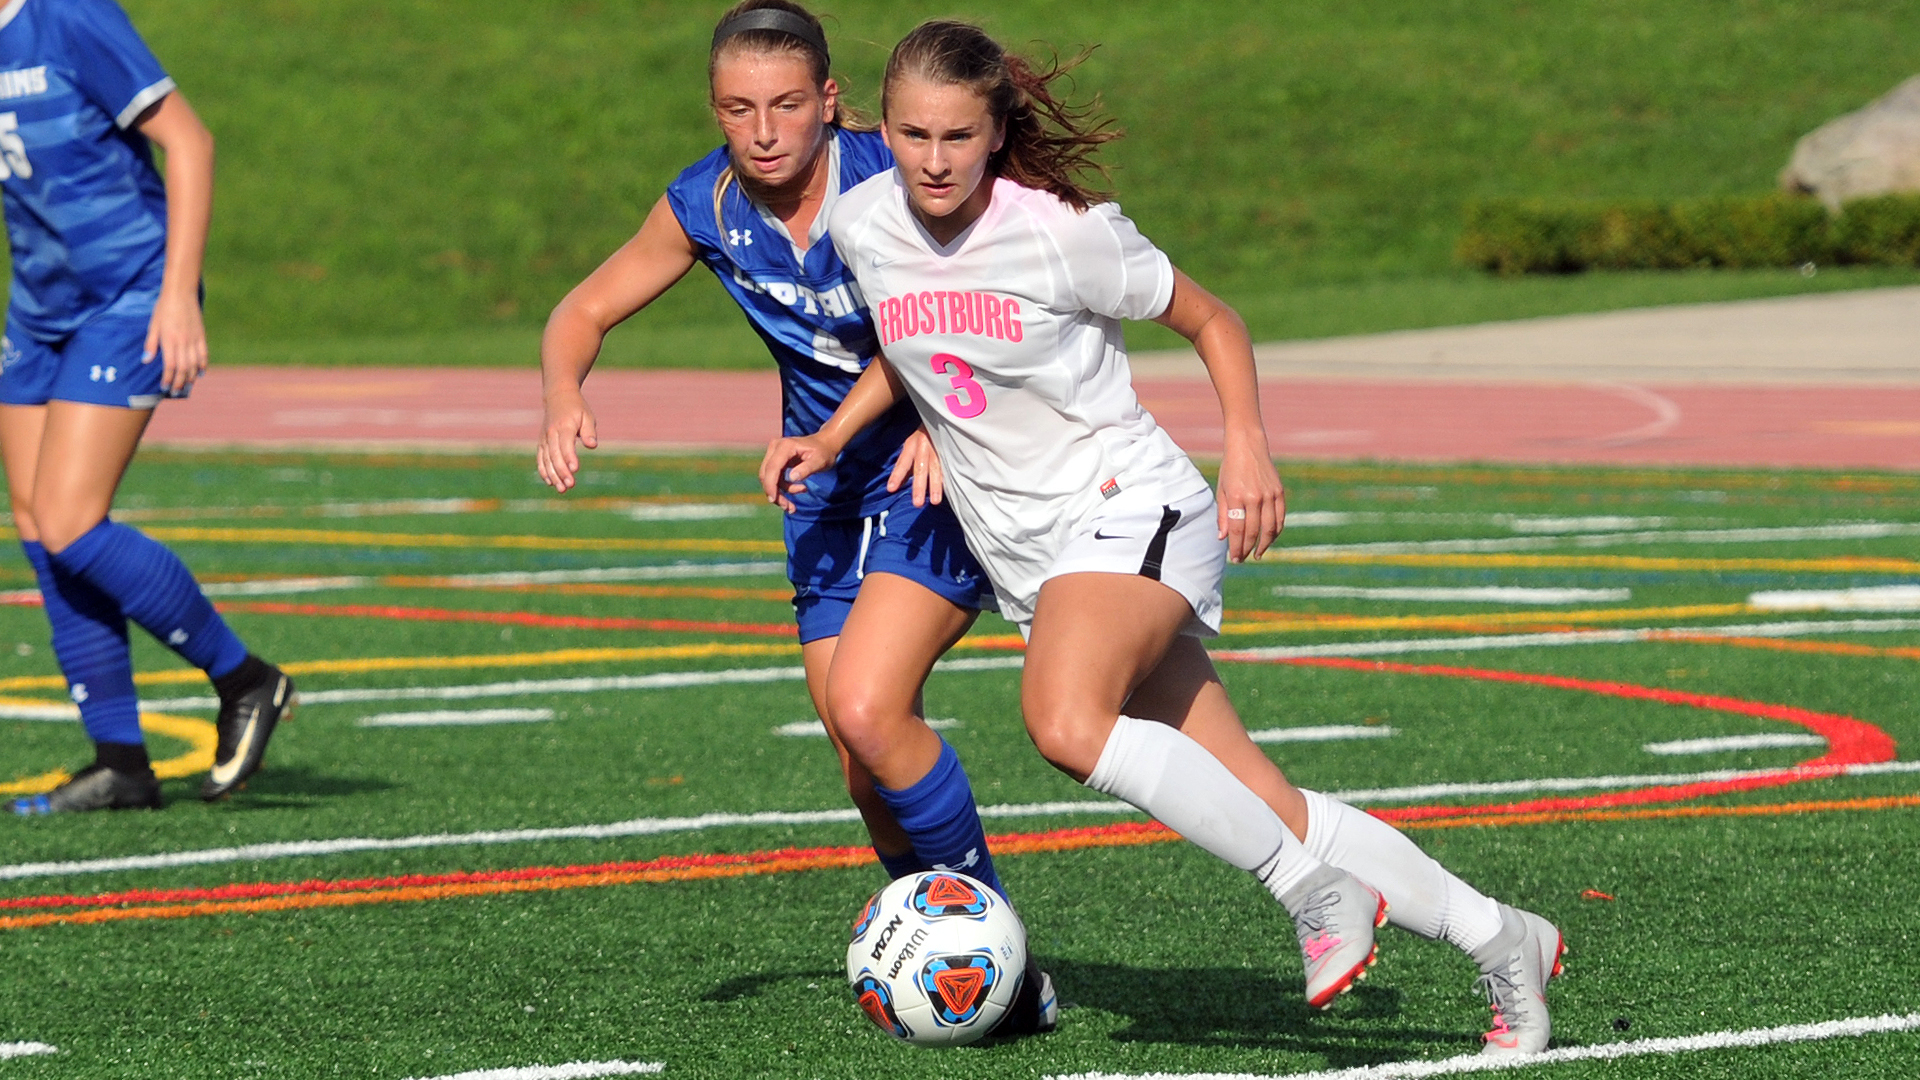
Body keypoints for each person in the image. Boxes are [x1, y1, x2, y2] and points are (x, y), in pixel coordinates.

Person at [761, 19, 1564, 1056]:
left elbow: (1213, 321)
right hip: (1041, 553)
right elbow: (915, 345)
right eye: (913, 134)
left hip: (1130, 508)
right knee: (1267, 798)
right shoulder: (868, 221)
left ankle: (1311, 896)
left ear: (999, 130)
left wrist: (1246, 446)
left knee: (1061, 717)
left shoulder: (1063, 228)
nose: (934, 159)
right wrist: (832, 434)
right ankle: (1505, 941)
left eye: (959, 136)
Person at [536, 0, 1053, 1034]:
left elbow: (1007, 290)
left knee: (870, 709)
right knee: (863, 766)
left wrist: (941, 408)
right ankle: (947, 938)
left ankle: (1001, 958)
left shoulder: (895, 172)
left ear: (829, 101)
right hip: (820, 495)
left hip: (933, 473)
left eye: (785, 104)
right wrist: (563, 393)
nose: (764, 131)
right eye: (738, 109)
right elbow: (580, 311)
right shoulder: (706, 204)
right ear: (715, 112)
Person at [2, 0, 293, 815]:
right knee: (38, 528)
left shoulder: (69, 17)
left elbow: (190, 142)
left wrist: (177, 297)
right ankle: (122, 763)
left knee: (68, 519)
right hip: (39, 307)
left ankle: (246, 680)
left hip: (130, 294)